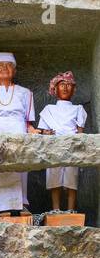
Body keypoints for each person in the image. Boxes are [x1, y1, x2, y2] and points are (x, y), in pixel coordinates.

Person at [0, 52, 37, 218]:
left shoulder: (26, 92)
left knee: (20, 167)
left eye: (8, 66)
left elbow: (28, 122)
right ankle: (1, 208)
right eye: (0, 66)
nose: (4, 69)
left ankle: (22, 205)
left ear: (14, 70)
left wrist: (32, 131)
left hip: (18, 130)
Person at [38, 71, 87, 214]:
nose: (65, 88)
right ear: (55, 89)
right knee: (54, 177)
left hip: (72, 147)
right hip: (53, 147)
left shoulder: (78, 109)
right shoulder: (48, 109)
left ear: (74, 89)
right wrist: (47, 133)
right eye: (62, 85)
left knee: (72, 178)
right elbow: (43, 131)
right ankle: (56, 209)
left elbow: (80, 132)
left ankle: (71, 209)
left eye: (68, 85)